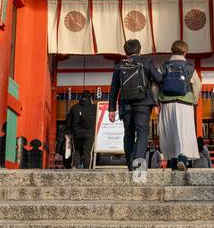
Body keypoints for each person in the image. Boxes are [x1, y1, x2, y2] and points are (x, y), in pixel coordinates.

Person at [108, 39, 163, 170]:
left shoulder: (119, 66)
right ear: (139, 50)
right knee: (142, 132)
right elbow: (159, 79)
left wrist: (111, 109)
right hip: (143, 104)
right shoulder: (146, 63)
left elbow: (114, 88)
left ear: (125, 51)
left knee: (128, 133)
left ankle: (129, 165)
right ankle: (138, 165)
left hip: (125, 105)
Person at [156, 40, 201, 170]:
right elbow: (197, 85)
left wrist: (158, 99)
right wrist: (194, 100)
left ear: (172, 50)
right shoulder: (189, 68)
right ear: (185, 52)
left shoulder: (164, 66)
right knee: (185, 131)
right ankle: (183, 158)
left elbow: (155, 84)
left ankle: (172, 159)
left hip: (167, 103)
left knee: (170, 131)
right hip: (185, 103)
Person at [65, 92, 97, 169]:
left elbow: (68, 121)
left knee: (77, 150)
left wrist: (68, 132)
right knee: (87, 152)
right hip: (90, 133)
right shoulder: (95, 107)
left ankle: (75, 166)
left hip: (77, 133)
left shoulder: (74, 107)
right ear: (90, 98)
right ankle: (86, 170)